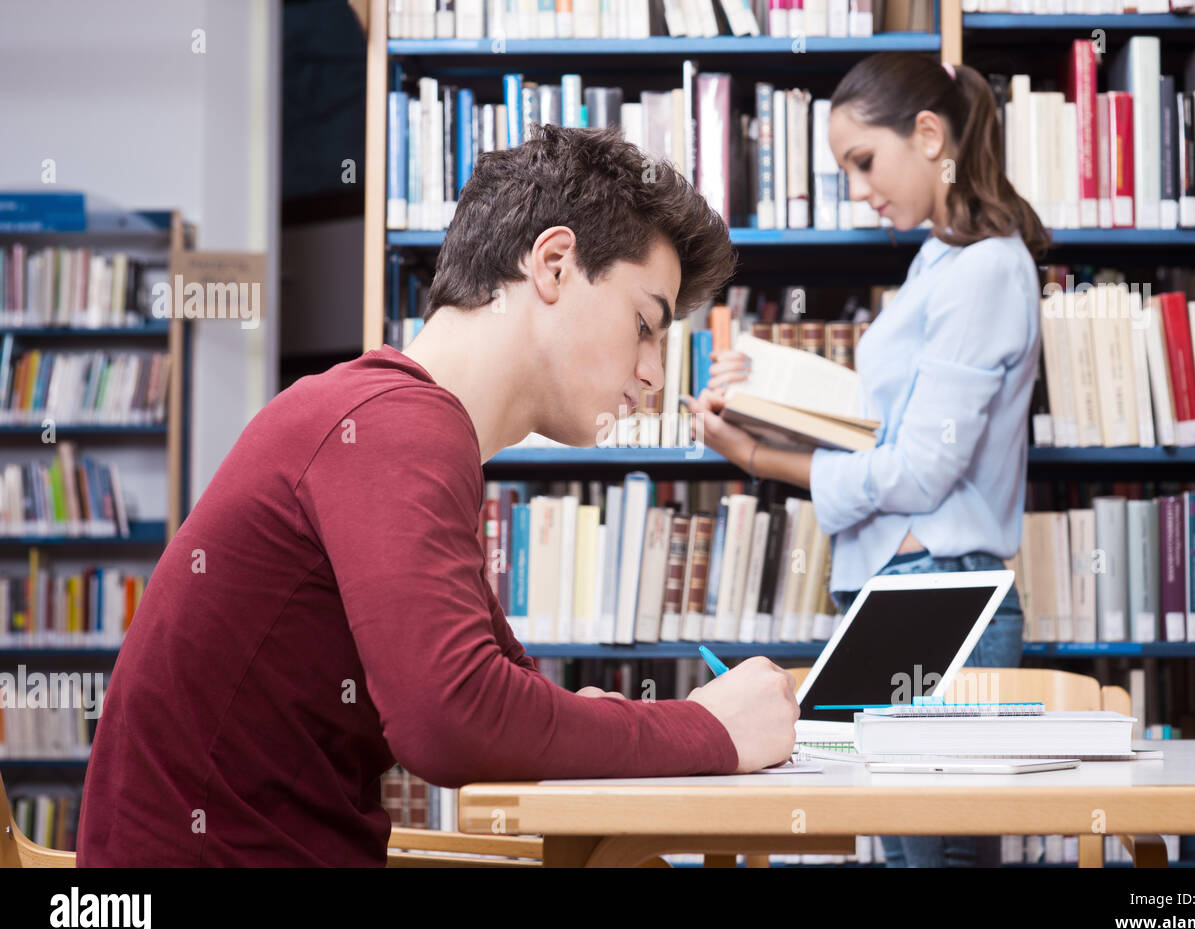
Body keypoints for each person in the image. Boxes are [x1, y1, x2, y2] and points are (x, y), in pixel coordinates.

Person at [77, 125, 799, 866]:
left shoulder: (394, 418)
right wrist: (707, 731)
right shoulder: (393, 427)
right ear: (553, 263)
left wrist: (696, 720)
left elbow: (508, 695)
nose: (653, 373)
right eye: (645, 324)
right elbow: (451, 717)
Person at [682, 52, 1049, 868]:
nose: (858, 188)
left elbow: (920, 470)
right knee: (912, 853)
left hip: (937, 596)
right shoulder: (940, 261)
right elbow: (888, 427)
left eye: (862, 161)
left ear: (928, 135)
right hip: (901, 592)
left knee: (940, 858)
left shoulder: (988, 268)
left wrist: (756, 455)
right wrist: (773, 388)